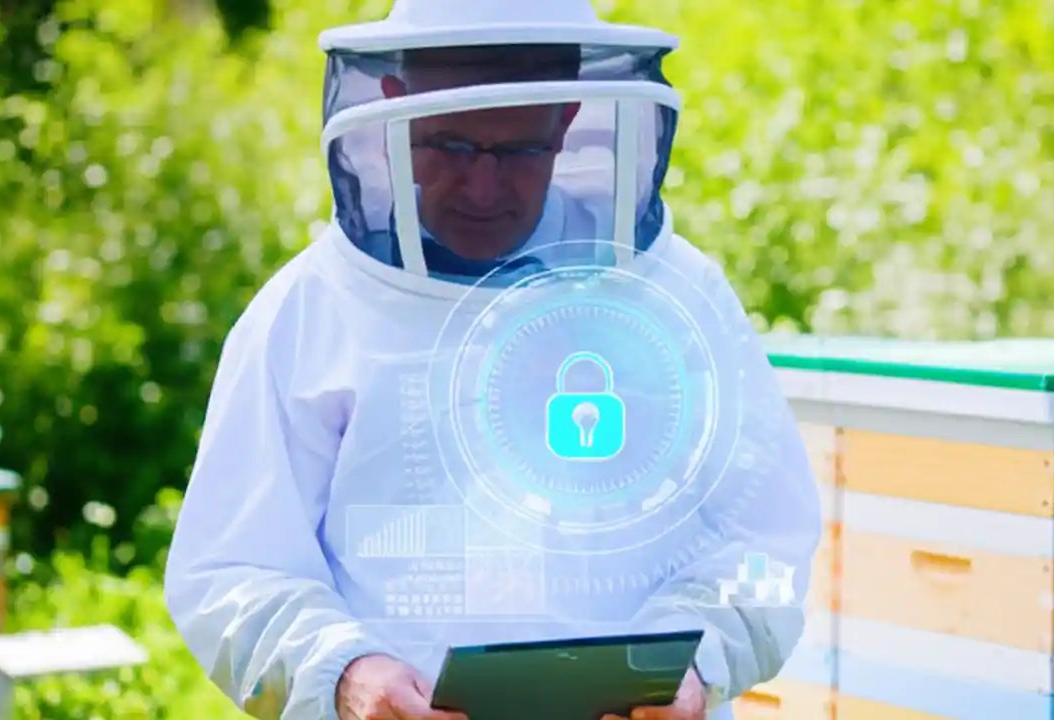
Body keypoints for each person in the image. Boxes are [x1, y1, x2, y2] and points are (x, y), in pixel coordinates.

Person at [163, 1, 822, 719]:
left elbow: (764, 546)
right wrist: (345, 673)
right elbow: (230, 569)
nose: (482, 188)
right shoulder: (308, 310)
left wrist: (695, 663)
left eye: (517, 151)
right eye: (447, 145)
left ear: (568, 117)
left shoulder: (681, 295)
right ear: (394, 104)